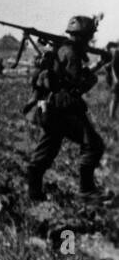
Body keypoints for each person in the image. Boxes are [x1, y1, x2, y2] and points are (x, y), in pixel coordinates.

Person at [25, 16, 108, 203]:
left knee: (48, 148)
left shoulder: (62, 50)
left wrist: (99, 64)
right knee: (93, 145)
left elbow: (70, 79)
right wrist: (96, 71)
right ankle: (86, 191)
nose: (90, 41)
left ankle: (34, 194)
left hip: (48, 107)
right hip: (63, 108)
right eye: (88, 37)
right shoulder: (71, 54)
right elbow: (77, 85)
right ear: (83, 36)